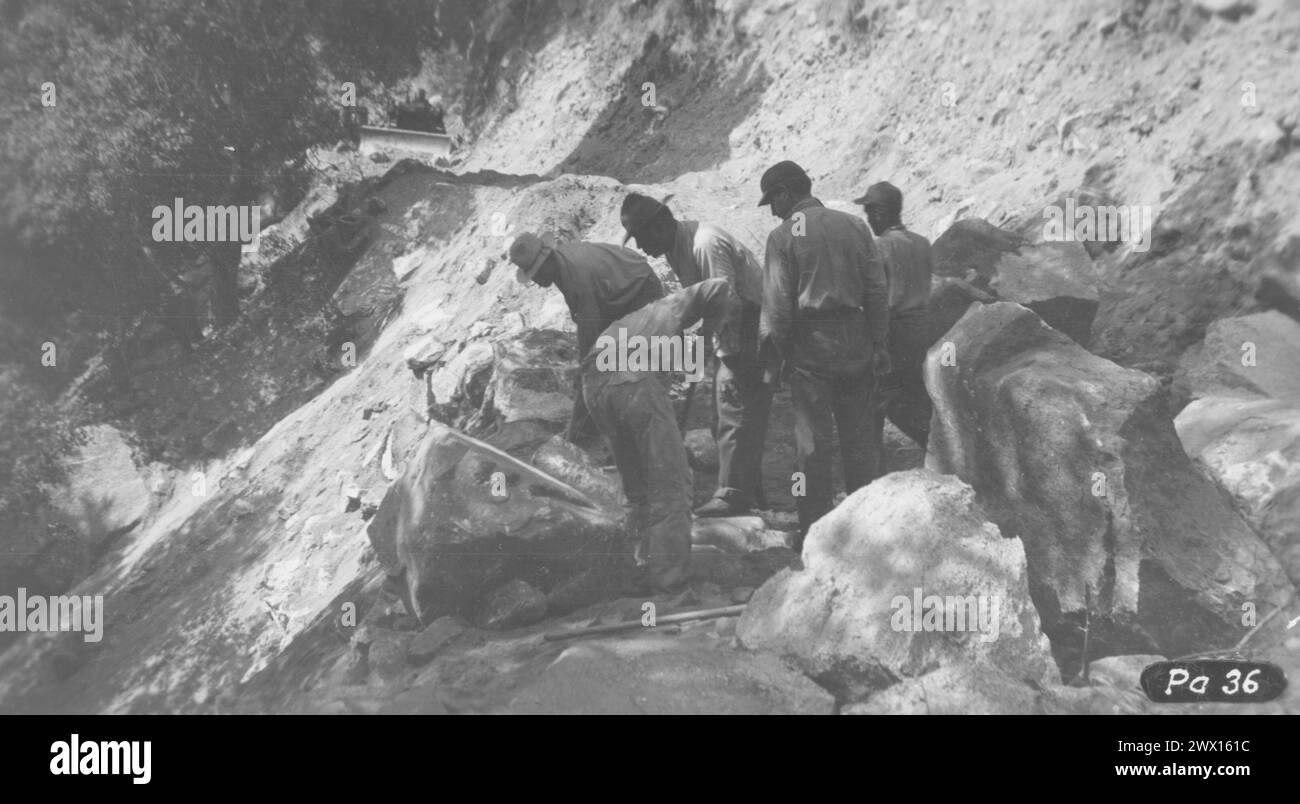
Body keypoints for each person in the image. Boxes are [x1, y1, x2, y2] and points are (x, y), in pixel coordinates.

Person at [757, 160, 891, 547]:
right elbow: (876, 289)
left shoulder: (783, 237)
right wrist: (880, 342)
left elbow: (778, 307)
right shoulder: (854, 225)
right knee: (859, 438)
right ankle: (867, 528)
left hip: (810, 342)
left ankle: (815, 531)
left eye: (772, 200)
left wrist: (775, 356)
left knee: (811, 444)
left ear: (785, 193)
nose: (772, 209)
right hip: (856, 336)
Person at [619, 193, 772, 517]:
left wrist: (710, 346)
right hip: (733, 327)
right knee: (725, 413)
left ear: (661, 224)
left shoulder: (704, 243)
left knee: (733, 407)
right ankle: (751, 493)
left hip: (749, 325)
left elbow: (728, 301)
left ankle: (733, 497)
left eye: (644, 237)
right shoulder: (676, 247)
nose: (644, 246)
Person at [579, 278, 736, 592]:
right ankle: (669, 575)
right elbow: (720, 287)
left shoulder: (640, 326)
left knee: (637, 488)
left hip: (594, 388)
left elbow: (670, 382)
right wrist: (715, 327)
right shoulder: (673, 307)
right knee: (670, 481)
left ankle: (638, 564)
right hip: (629, 381)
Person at [507, 232, 663, 445]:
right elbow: (585, 318)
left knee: (618, 368)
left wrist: (585, 370)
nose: (534, 279)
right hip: (616, 293)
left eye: (534, 273)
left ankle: (645, 430)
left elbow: (591, 331)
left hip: (639, 290)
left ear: (546, 262)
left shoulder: (575, 275)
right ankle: (589, 430)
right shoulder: (560, 264)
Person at [854, 181, 933, 450]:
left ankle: (874, 467)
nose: (868, 219)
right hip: (923, 328)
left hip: (895, 330)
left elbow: (874, 296)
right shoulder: (922, 243)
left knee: (880, 399)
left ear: (879, 213)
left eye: (869, 212)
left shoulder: (879, 247)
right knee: (916, 393)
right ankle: (935, 446)